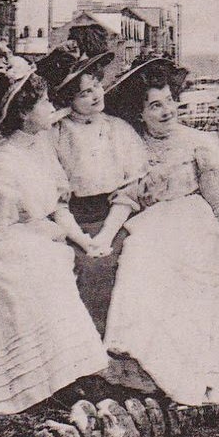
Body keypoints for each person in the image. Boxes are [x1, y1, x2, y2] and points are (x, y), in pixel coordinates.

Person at [101, 57, 219, 405]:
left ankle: (208, 373)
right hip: (150, 226)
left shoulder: (198, 143)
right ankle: (150, 367)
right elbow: (128, 196)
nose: (166, 111)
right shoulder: (132, 147)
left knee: (196, 281)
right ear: (140, 113)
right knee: (141, 257)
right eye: (155, 105)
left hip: (193, 222)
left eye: (170, 101)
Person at [0, 56, 108, 414]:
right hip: (2, 250)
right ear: (25, 114)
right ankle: (48, 382)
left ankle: (73, 374)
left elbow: (59, 204)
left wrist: (80, 238)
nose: (52, 107)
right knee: (44, 272)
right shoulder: (5, 162)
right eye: (44, 102)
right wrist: (40, 236)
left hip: (34, 239)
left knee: (59, 264)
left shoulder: (39, 144)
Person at [46, 40, 148, 335]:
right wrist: (82, 239)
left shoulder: (118, 129)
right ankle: (81, 353)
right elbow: (57, 200)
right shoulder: (56, 134)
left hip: (115, 218)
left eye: (96, 87)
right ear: (69, 100)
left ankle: (116, 349)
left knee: (122, 263)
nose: (94, 96)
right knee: (73, 266)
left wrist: (104, 236)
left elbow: (128, 192)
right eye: (83, 93)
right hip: (72, 222)